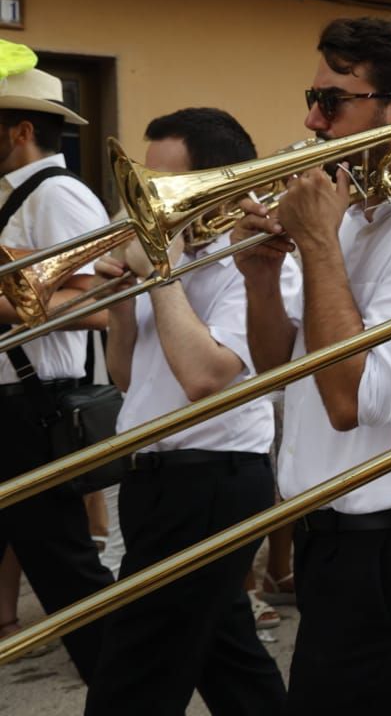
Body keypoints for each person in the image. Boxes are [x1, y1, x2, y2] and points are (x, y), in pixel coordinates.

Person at [232, 17, 391, 715]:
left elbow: (354, 396)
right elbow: (283, 373)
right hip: (334, 533)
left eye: (332, 101)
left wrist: (317, 245)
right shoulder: (348, 217)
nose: (311, 120)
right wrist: (260, 279)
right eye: (311, 98)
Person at [85, 108, 291, 715]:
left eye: (162, 186)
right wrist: (122, 309)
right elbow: (130, 379)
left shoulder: (253, 259)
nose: (149, 201)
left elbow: (205, 378)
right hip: (154, 477)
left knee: (133, 679)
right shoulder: (171, 256)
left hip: (212, 479)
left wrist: (160, 275)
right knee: (232, 663)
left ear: (213, 181)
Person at [0, 48, 114, 682]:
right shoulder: (12, 196)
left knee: (64, 565)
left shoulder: (61, 197)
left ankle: (118, 682)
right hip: (12, 403)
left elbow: (102, 305)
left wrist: (5, 309)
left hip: (33, 404)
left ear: (20, 130)